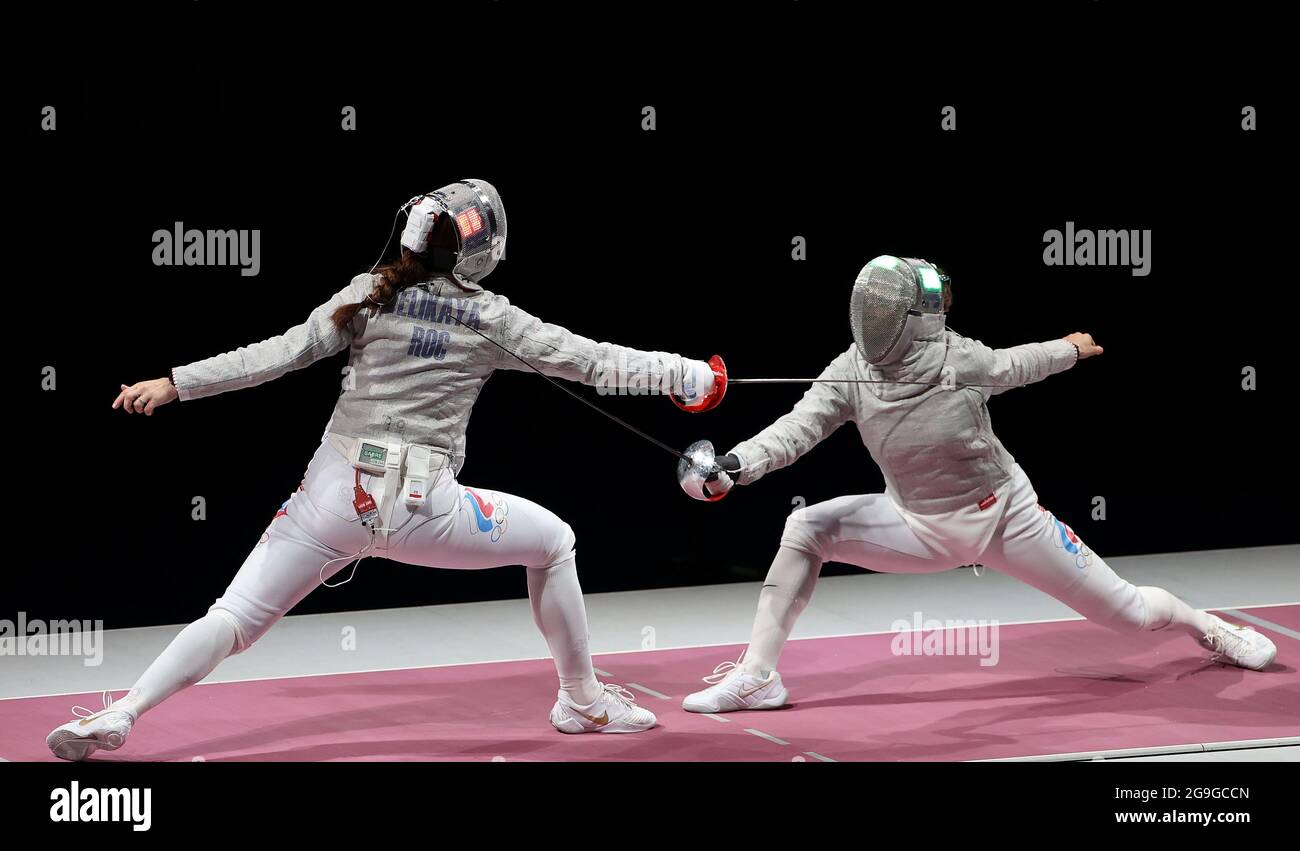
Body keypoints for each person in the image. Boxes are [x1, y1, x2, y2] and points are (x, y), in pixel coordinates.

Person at [47, 180, 725, 759]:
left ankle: (122, 710)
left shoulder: (369, 293)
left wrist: (175, 381)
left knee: (231, 618)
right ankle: (581, 700)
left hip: (329, 500)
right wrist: (691, 375)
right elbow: (594, 359)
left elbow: (277, 353)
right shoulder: (490, 316)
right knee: (553, 542)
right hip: (423, 509)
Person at [677, 254, 1277, 714]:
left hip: (1007, 518)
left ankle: (1211, 628)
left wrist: (1067, 350)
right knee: (805, 527)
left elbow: (1014, 366)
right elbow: (796, 428)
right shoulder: (848, 374)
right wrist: (736, 465)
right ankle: (758, 675)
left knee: (1130, 614)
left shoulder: (956, 359)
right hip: (916, 525)